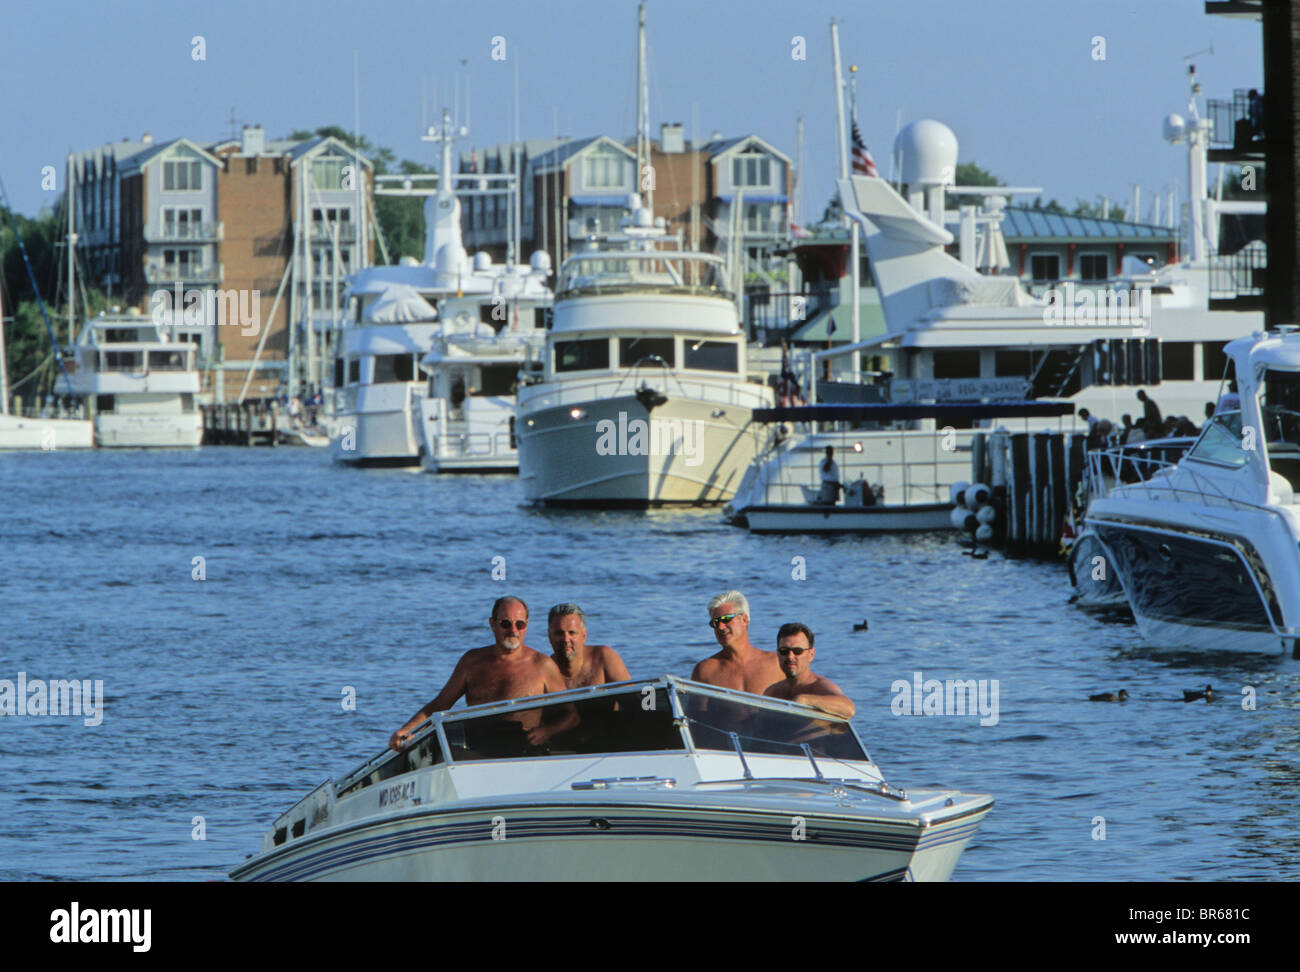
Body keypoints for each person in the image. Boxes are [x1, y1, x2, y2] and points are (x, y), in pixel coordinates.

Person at [388, 596, 571, 751]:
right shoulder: (471, 662)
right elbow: (441, 703)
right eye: (506, 623)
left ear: (527, 625)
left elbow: (571, 715)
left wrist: (547, 732)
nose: (513, 631)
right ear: (492, 624)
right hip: (476, 750)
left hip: (524, 751)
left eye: (520, 624)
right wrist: (407, 730)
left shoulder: (542, 665)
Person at [690, 590, 784, 694]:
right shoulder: (705, 671)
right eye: (715, 623)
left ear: (744, 619)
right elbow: (694, 710)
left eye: (726, 619)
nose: (720, 627)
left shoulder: (776, 664)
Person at [762, 622, 855, 718]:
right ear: (777, 653)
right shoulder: (772, 692)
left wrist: (806, 700)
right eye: (784, 651)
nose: (790, 656)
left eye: (797, 651)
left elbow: (848, 708)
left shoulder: (820, 687)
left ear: (811, 654)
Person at [546, 603, 631, 689]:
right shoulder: (544, 670)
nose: (566, 639)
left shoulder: (603, 657)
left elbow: (632, 697)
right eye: (559, 633)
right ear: (550, 636)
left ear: (584, 636)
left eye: (572, 633)